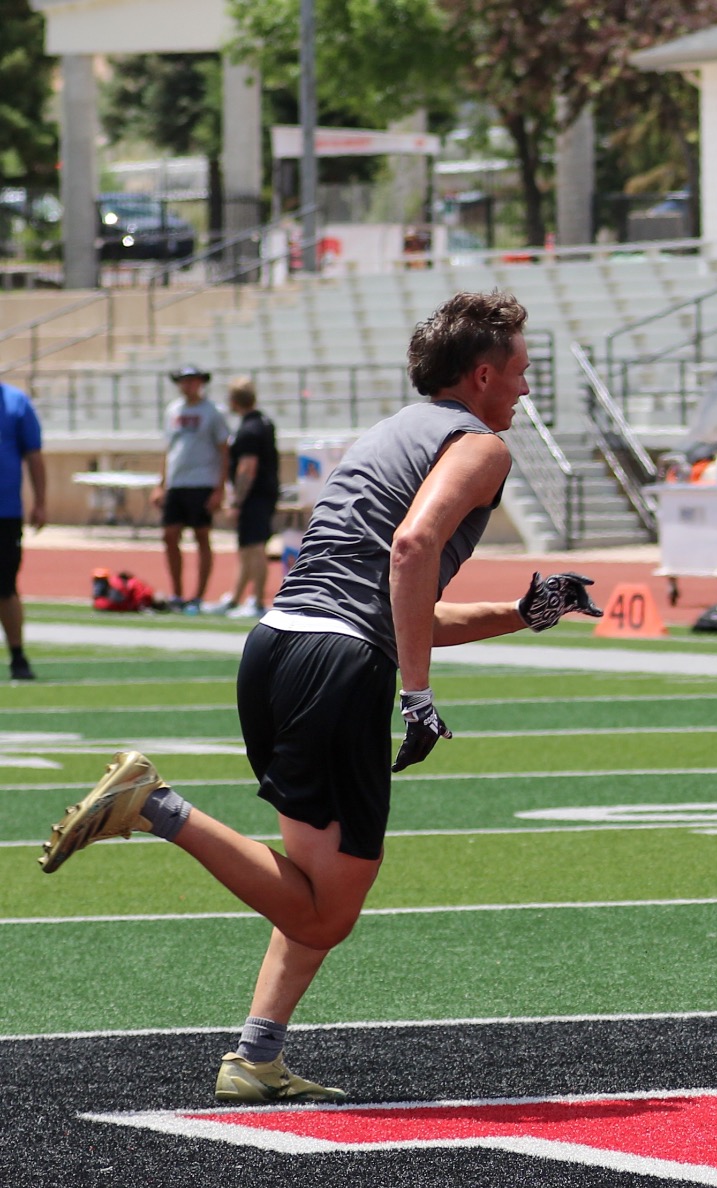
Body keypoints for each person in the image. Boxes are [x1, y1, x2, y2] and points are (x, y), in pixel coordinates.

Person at [39, 292, 605, 1103]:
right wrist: (418, 696)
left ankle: (255, 1054)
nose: (523, 387)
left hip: (277, 646)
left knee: (312, 885)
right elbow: (411, 553)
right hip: (338, 665)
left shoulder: (391, 433)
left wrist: (524, 611)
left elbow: (400, 603)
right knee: (326, 913)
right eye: (518, 370)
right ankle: (154, 805)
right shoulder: (479, 448)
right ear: (481, 374)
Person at [151, 363, 231, 611]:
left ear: (201, 383)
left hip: (202, 482)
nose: (188, 386)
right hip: (177, 483)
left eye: (193, 380)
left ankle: (198, 595)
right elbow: (169, 450)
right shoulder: (172, 411)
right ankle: (177, 592)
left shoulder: (213, 412)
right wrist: (161, 483)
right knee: (170, 535)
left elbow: (224, 451)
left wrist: (220, 488)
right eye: (184, 381)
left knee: (201, 535)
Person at [216, 376, 280, 618]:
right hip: (264, 493)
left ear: (234, 401)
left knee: (254, 548)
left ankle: (256, 600)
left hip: (255, 496)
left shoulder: (249, 429)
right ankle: (235, 597)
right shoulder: (263, 422)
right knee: (246, 547)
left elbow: (247, 468)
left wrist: (236, 501)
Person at [2, 379, 47, 681]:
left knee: (5, 587)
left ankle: (18, 655)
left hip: (4, 512)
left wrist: (41, 501)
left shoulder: (15, 402)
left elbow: (34, 455)